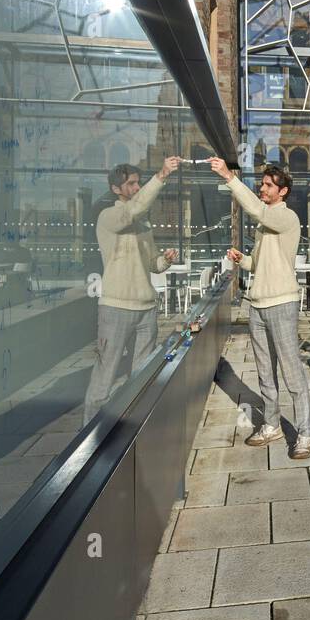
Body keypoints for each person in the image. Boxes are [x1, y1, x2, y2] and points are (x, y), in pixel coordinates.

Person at [208, 156, 310, 459]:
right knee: (265, 372)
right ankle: (271, 425)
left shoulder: (286, 218)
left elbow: (256, 208)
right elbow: (261, 264)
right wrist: (244, 260)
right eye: (262, 184)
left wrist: (229, 177)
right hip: (258, 304)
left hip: (282, 303)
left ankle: (304, 434)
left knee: (292, 371)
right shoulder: (265, 226)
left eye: (268, 185)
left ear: (283, 191)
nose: (263, 188)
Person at [83, 157, 179, 425]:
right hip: (116, 308)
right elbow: (134, 210)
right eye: (131, 183)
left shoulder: (143, 225)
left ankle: (132, 430)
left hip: (146, 309)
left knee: (141, 377)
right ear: (116, 189)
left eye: (138, 183)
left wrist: (167, 259)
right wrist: (161, 175)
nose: (137, 187)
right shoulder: (109, 216)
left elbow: (153, 264)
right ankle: (87, 437)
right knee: (105, 378)